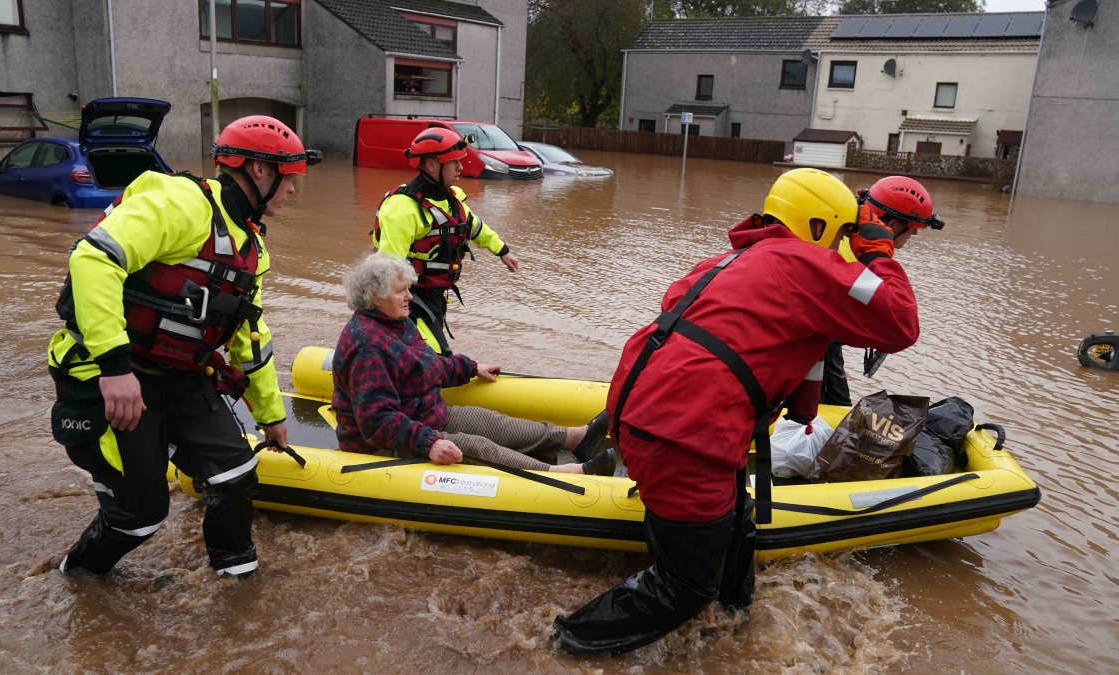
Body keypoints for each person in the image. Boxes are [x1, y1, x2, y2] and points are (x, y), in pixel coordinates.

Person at [553, 168, 924, 654]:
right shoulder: (810, 267)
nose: (842, 247)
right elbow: (901, 323)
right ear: (818, 227)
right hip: (682, 437)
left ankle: (732, 623)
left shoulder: (732, 258)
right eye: (840, 235)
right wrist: (879, 253)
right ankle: (564, 644)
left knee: (737, 523)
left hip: (648, 416)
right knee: (684, 587)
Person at [47, 115, 321, 578]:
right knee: (141, 515)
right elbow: (93, 258)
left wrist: (270, 413)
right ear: (259, 170)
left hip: (179, 375)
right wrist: (115, 370)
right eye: (290, 176)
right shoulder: (182, 203)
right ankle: (74, 580)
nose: (294, 189)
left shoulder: (251, 247)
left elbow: (250, 337)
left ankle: (239, 583)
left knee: (235, 474)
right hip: (109, 372)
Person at [331, 254, 615, 475]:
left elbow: (428, 365)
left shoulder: (396, 323)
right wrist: (429, 443)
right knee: (477, 446)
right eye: (401, 291)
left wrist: (468, 367)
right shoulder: (367, 346)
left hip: (423, 416)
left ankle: (576, 438)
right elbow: (376, 423)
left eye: (408, 289)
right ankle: (562, 473)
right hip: (387, 444)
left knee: (488, 421)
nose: (409, 297)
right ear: (376, 297)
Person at [372, 127, 520, 355]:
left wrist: (503, 251)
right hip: (410, 299)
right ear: (432, 165)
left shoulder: (452, 200)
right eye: (455, 163)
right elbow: (389, 270)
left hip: (435, 296)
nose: (461, 168)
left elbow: (474, 226)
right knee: (433, 356)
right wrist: (395, 314)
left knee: (433, 352)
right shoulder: (402, 208)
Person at [820, 176, 944, 406]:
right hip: (820, 346)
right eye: (913, 228)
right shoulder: (858, 254)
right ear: (894, 226)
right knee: (835, 411)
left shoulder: (848, 233)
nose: (914, 235)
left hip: (820, 342)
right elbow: (901, 323)